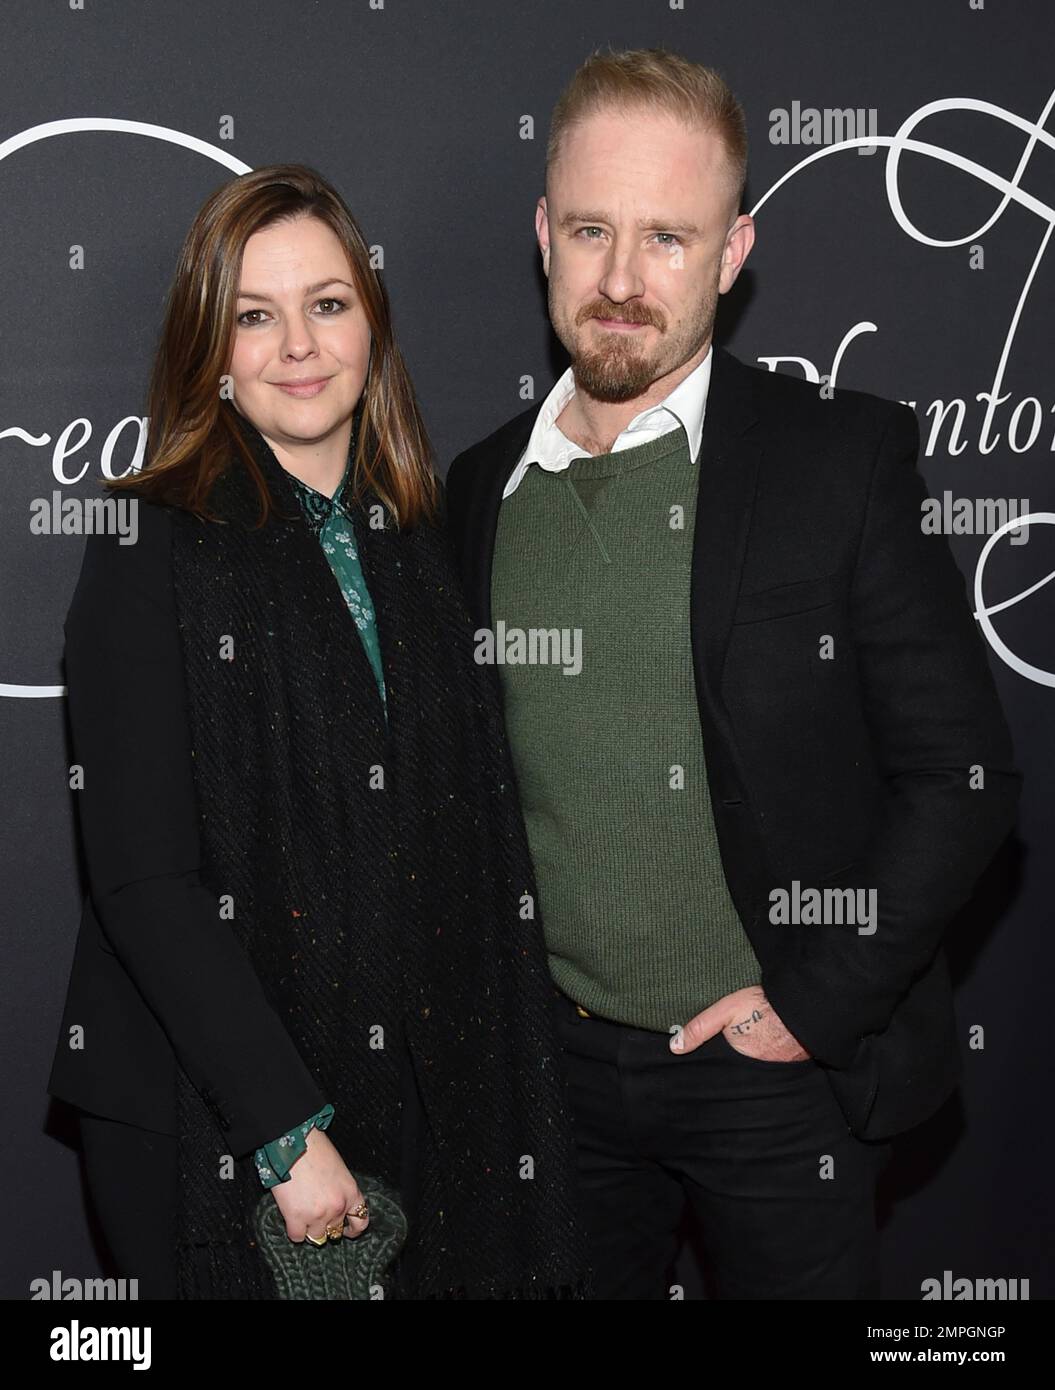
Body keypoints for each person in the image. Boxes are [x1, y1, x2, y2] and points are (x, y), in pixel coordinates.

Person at [444, 49, 1022, 1299]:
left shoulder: (837, 461)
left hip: (772, 1084)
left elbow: (961, 777)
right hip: (557, 1083)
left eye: (668, 236)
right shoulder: (475, 492)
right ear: (543, 233)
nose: (618, 280)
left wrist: (808, 1006)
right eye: (591, 228)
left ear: (731, 249)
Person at [47, 163, 590, 1300]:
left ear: (372, 328)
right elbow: (145, 885)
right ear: (213, 348)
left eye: (327, 304)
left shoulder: (422, 545)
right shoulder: (152, 549)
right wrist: (287, 1132)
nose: (297, 343)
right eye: (256, 314)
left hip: (415, 1086)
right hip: (207, 1108)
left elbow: (473, 846)